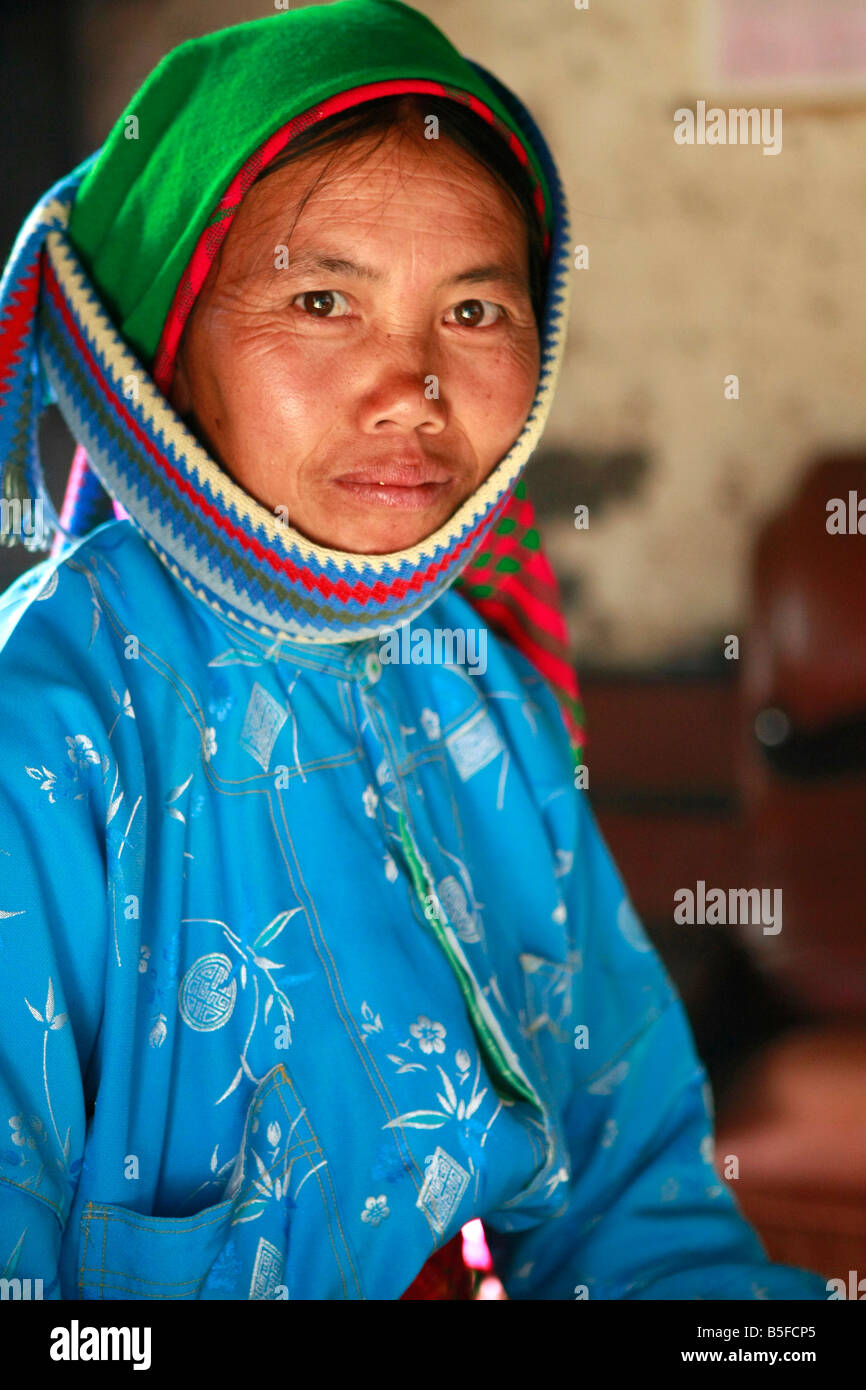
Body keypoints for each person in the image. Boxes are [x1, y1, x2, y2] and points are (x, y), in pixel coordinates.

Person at [0, 0, 827, 1300]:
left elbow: (634, 1196)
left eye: (476, 312)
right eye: (321, 299)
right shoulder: (46, 726)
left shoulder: (471, 681)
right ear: (163, 345)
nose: (414, 386)